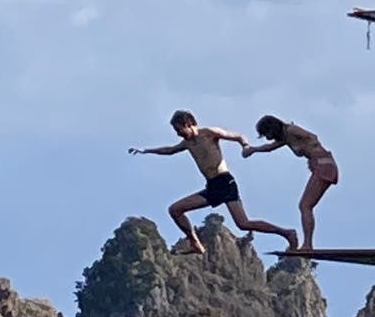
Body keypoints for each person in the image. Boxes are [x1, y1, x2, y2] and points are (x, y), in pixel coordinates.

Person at [129, 110, 298, 256]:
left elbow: (237, 136)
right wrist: (145, 151)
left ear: (188, 123)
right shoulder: (186, 143)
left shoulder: (209, 133)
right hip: (212, 186)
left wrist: (245, 146)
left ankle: (286, 233)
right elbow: (169, 150)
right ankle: (195, 244)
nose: (178, 133)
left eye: (178, 129)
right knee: (175, 210)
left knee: (243, 224)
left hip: (225, 182)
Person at [244, 115, 338, 253]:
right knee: (305, 206)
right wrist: (252, 150)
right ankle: (307, 244)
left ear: (272, 128)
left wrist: (308, 147)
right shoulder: (286, 138)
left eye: (267, 134)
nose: (268, 137)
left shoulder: (291, 130)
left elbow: (313, 136)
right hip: (319, 165)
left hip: (322, 163)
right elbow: (269, 147)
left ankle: (307, 245)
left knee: (305, 205)